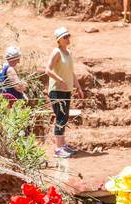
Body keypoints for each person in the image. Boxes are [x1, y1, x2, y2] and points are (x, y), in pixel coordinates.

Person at [46, 27, 83, 158]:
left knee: (65, 116)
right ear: (59, 40)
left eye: (68, 36)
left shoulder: (68, 52)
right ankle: (58, 148)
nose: (68, 39)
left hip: (67, 90)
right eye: (65, 37)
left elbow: (71, 72)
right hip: (56, 90)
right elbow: (48, 70)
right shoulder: (57, 52)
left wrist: (78, 86)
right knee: (60, 117)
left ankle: (62, 145)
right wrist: (60, 80)